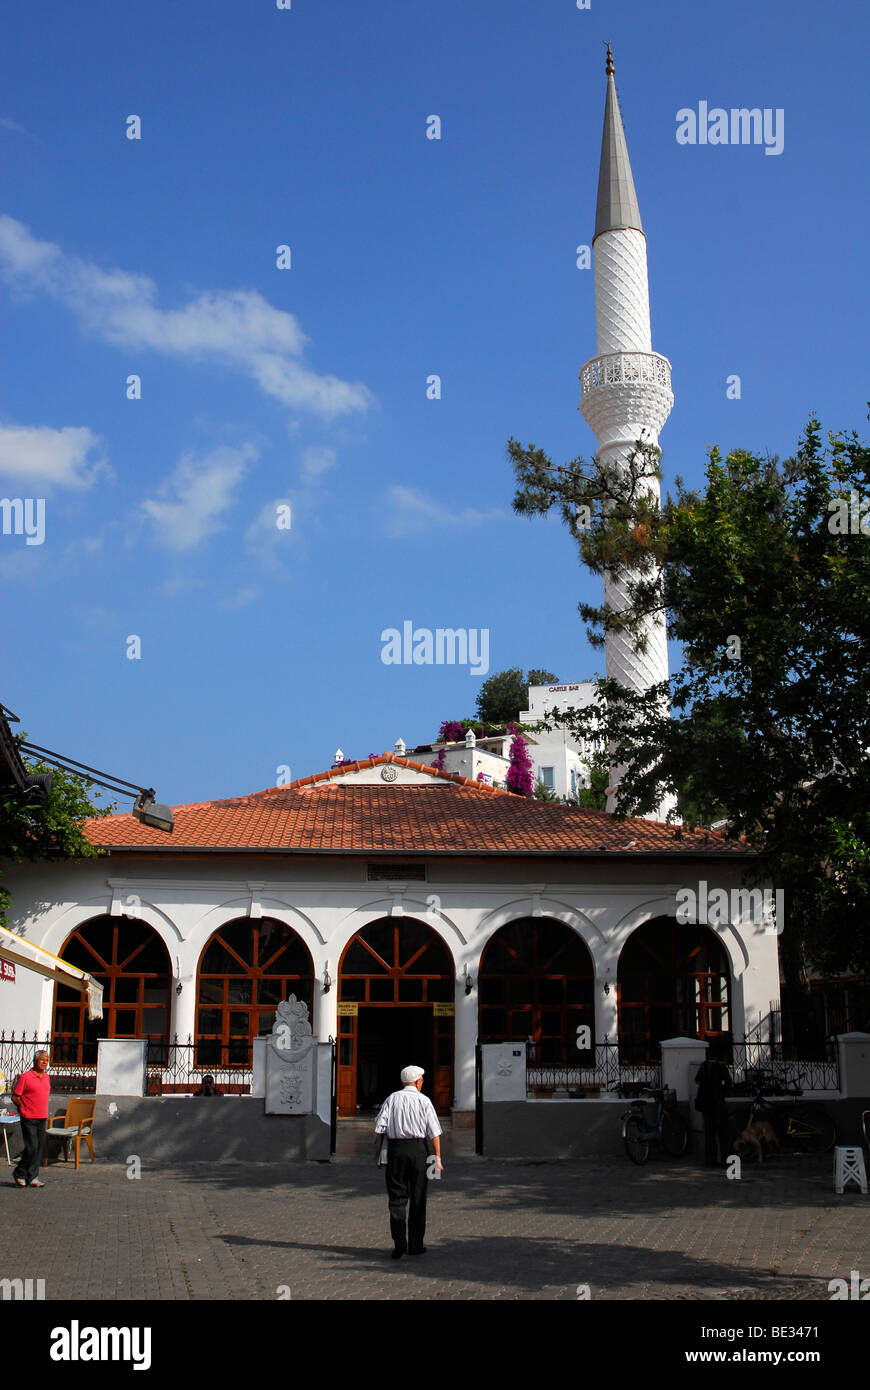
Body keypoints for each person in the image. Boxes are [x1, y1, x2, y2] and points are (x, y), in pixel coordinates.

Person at [374, 1065, 443, 1259]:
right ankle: (416, 1244)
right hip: (420, 1151)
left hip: (397, 1151)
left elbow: (379, 1126)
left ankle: (399, 1244)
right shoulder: (424, 1101)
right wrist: (437, 1157)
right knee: (419, 1197)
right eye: (422, 1080)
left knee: (396, 1198)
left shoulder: (392, 1099)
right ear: (418, 1081)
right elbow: (434, 1132)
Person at [12, 1050, 51, 1187]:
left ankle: (33, 1177)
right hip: (29, 1117)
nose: (44, 1062)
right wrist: (23, 1108)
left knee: (39, 1147)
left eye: (46, 1060)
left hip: (42, 1116)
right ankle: (19, 1172)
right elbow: (16, 1096)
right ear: (35, 1061)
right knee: (32, 1147)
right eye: (42, 1060)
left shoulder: (46, 1077)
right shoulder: (26, 1077)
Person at [695, 1042, 732, 1166]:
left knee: (709, 1133)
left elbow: (697, 1080)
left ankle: (710, 1160)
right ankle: (725, 1159)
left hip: (706, 1104)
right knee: (723, 1133)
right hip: (718, 1104)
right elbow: (728, 1084)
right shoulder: (721, 1068)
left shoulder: (703, 1066)